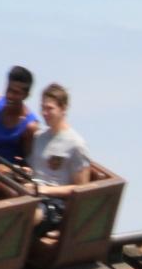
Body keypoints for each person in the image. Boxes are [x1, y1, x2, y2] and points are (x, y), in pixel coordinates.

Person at [26, 83, 92, 231]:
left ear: (63, 108)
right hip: (31, 193)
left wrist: (44, 190)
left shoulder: (76, 144)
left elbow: (82, 188)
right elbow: (34, 169)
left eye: (50, 108)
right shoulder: (38, 137)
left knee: (29, 215)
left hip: (55, 203)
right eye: (43, 108)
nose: (44, 112)